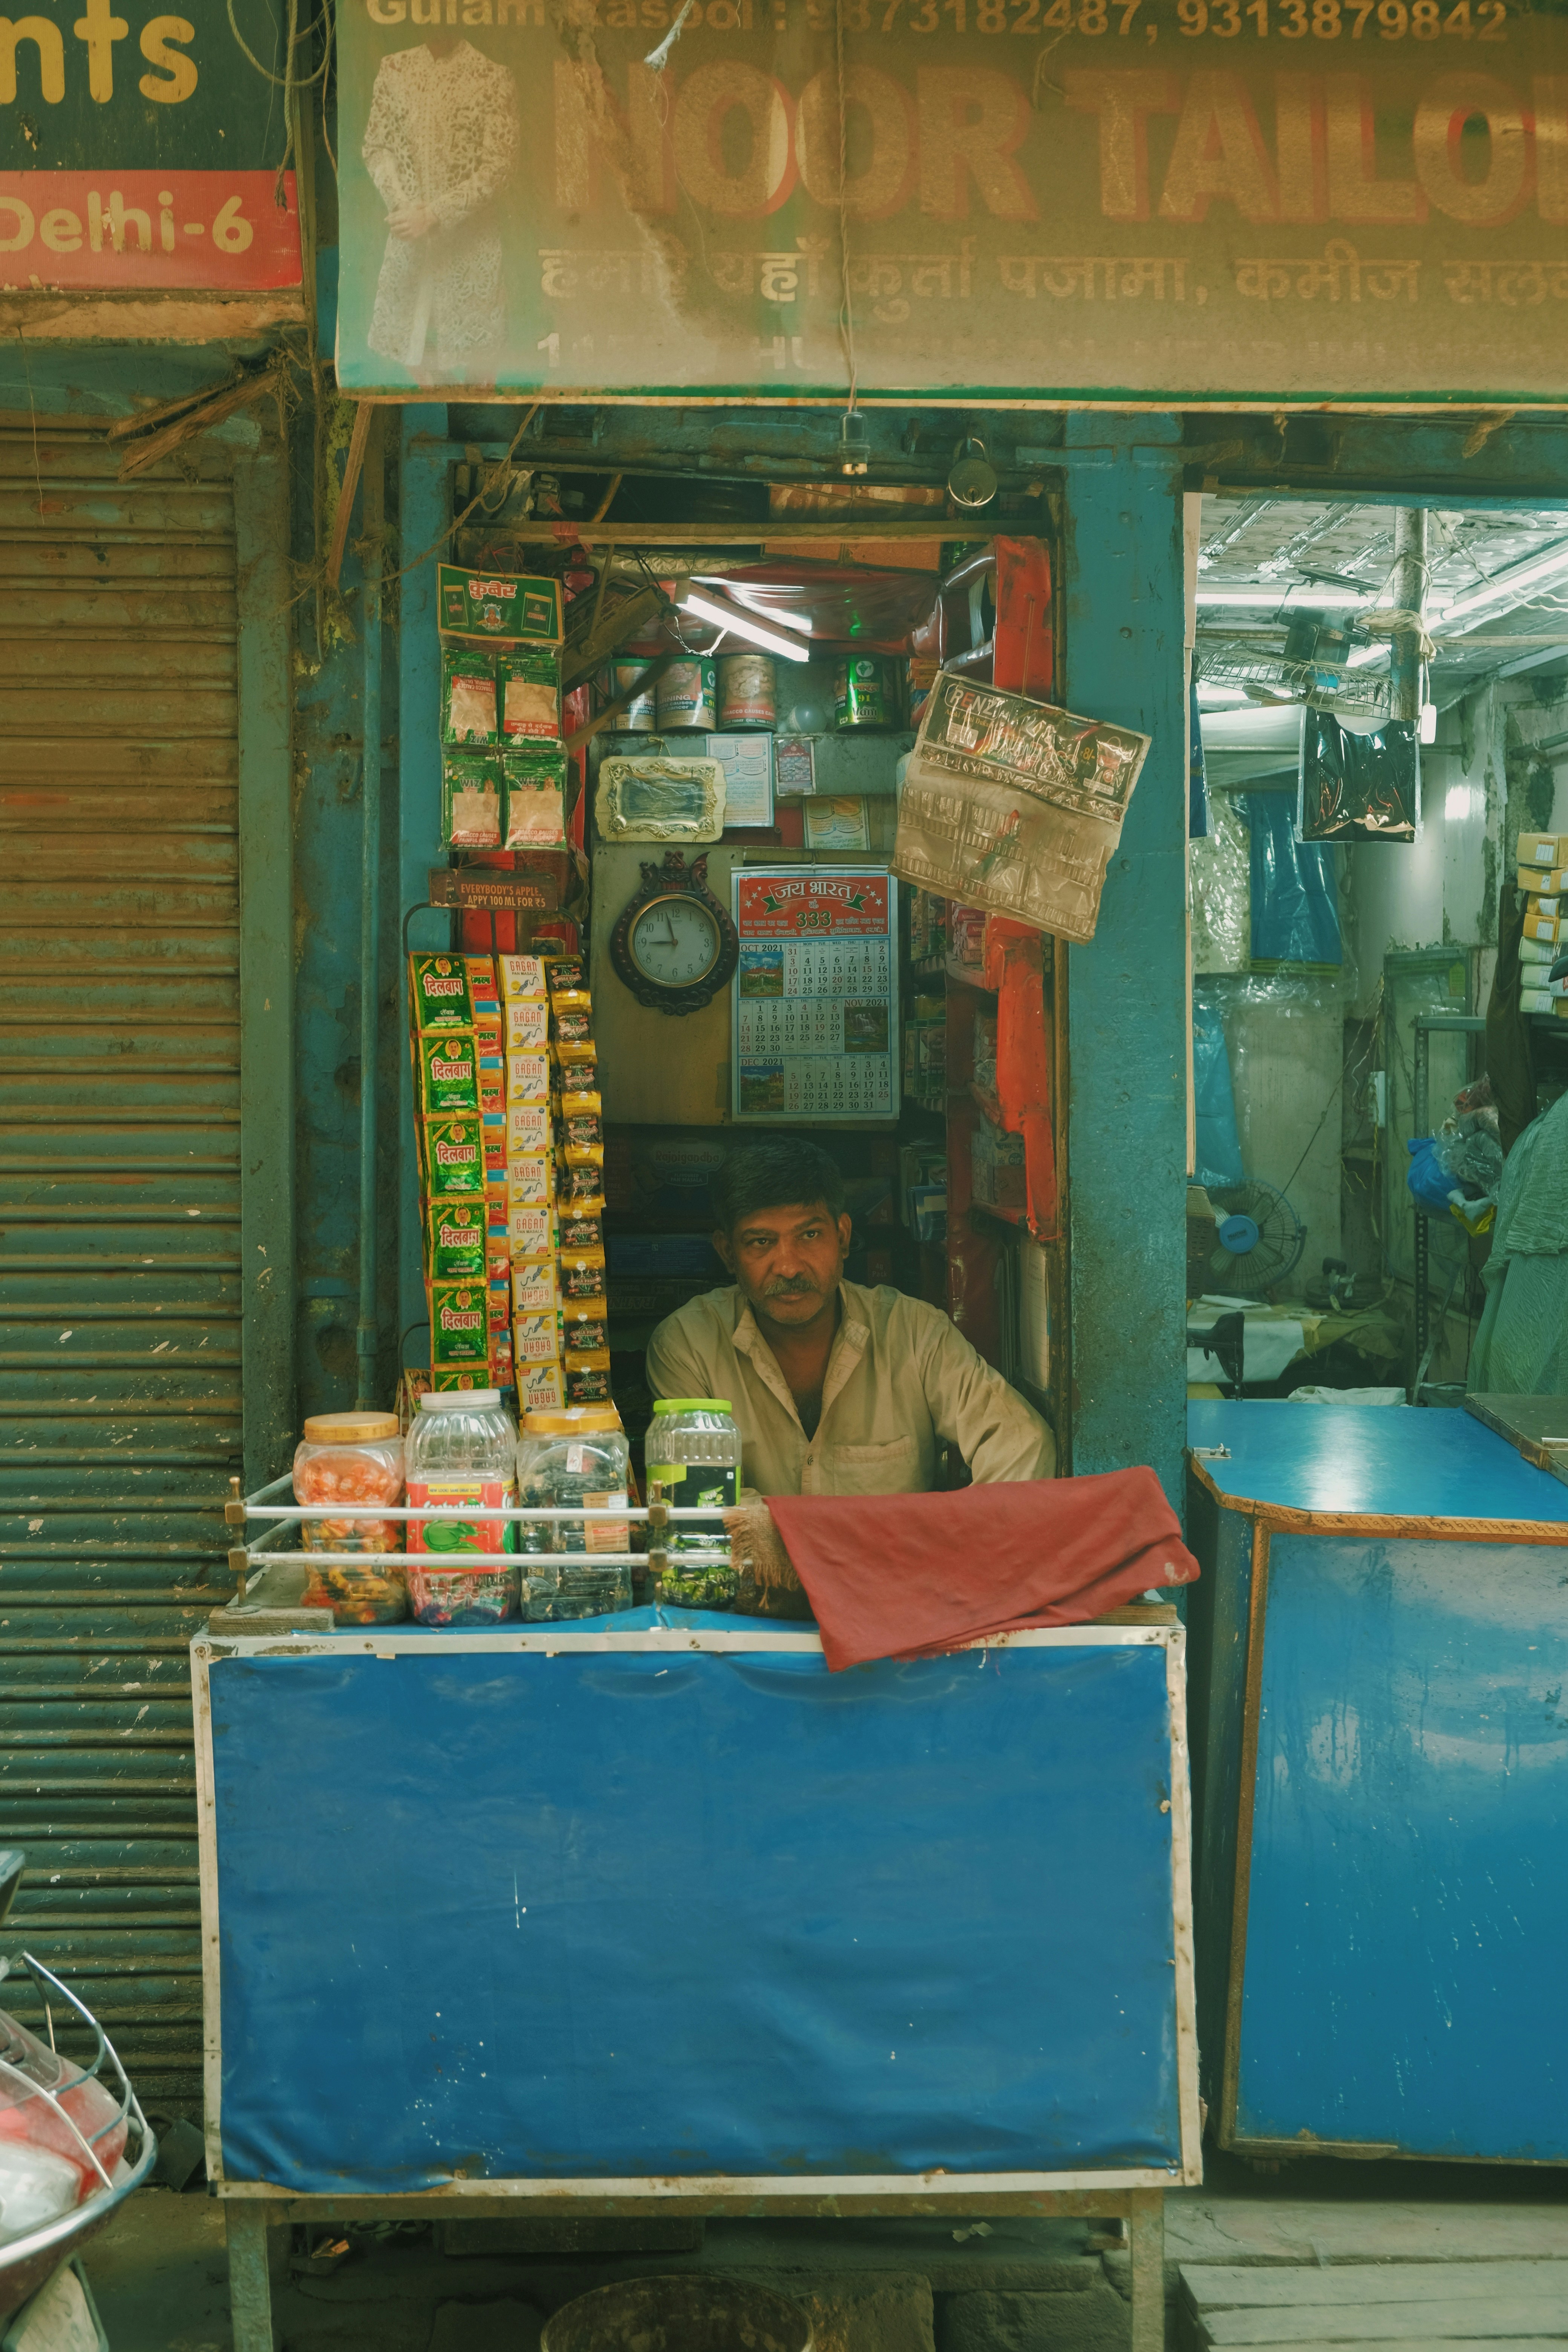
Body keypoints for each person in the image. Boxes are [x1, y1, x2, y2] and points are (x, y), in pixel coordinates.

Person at [645, 1140, 1055, 1497]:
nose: (788, 1267)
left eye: (809, 1236)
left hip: (897, 1580)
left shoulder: (913, 1333)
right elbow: (698, 1497)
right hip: (759, 1585)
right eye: (760, 1242)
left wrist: (954, 1546)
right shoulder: (689, 1346)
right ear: (728, 1253)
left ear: (842, 1237)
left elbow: (1021, 1444)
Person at [361, 35, 519, 386]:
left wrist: (434, 215)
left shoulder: (491, 76)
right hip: (409, 243)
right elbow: (377, 146)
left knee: (481, 370)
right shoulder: (395, 68)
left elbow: (499, 167)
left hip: (470, 248)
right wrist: (403, 207)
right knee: (411, 359)